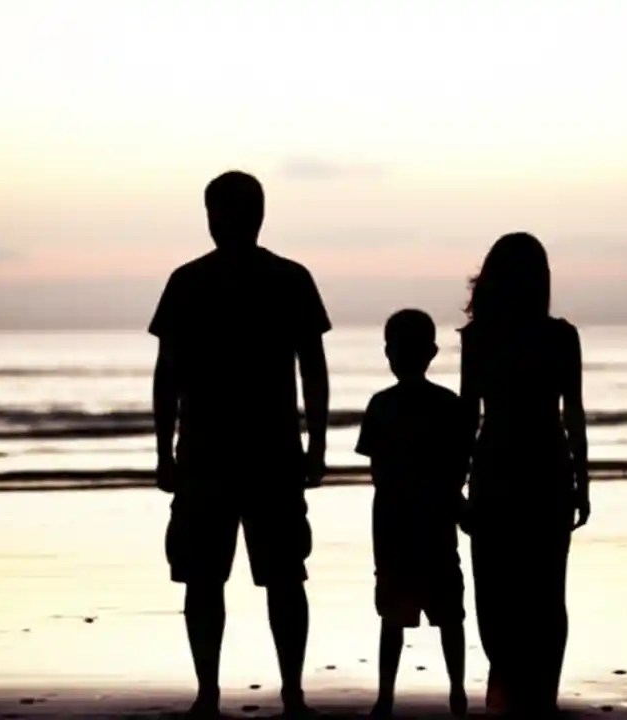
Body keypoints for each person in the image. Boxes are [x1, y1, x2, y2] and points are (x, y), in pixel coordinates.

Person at [150, 170, 331, 718]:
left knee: (229, 578)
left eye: (219, 211)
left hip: (221, 453)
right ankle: (274, 691)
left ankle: (227, 692)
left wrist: (164, 451)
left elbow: (167, 375)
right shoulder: (286, 278)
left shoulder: (192, 281)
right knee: (266, 576)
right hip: (257, 451)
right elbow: (314, 372)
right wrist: (316, 444)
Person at [459, 233, 589, 715]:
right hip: (545, 469)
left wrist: (456, 485)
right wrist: (583, 480)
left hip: (496, 469)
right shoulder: (560, 337)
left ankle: (511, 690)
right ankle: (538, 697)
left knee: (497, 596)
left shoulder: (480, 338)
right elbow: (572, 414)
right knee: (545, 595)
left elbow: (468, 415)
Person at [355, 310, 469, 718]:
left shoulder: (382, 405)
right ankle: (456, 692)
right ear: (431, 352)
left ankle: (387, 696)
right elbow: (459, 468)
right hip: (433, 523)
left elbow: (377, 472)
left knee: (394, 618)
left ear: (390, 353)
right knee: (447, 616)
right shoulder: (449, 405)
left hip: (395, 524)